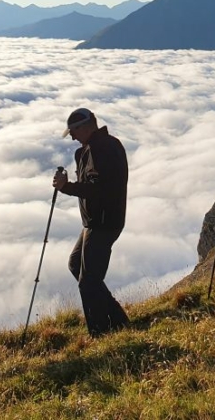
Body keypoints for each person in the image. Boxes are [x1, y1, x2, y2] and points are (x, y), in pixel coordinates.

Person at [53, 107, 131, 336]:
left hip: (103, 222)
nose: (73, 137)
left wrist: (66, 187)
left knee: (88, 281)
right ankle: (117, 321)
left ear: (85, 127)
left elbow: (100, 189)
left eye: (74, 132)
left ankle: (101, 333)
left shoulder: (102, 149)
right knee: (77, 265)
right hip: (96, 221)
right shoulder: (92, 148)